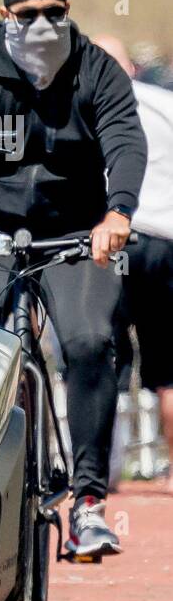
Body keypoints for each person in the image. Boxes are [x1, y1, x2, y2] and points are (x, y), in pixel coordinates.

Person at [0, 0, 146, 561]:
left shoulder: (95, 66)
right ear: (5, 12)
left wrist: (117, 213)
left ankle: (88, 504)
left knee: (92, 341)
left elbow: (124, 137)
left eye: (54, 11)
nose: (42, 22)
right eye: (28, 12)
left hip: (77, 234)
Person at [93, 34, 173, 485]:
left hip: (113, 239)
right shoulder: (164, 104)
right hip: (165, 240)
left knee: (110, 355)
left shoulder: (87, 106)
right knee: (167, 369)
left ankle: (107, 471)